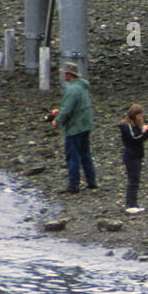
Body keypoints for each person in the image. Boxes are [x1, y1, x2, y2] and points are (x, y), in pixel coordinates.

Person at [50, 61, 96, 194]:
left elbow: (67, 110)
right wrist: (59, 111)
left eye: (64, 73)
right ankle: (91, 182)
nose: (63, 75)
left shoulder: (72, 89)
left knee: (73, 156)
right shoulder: (82, 87)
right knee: (85, 154)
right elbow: (75, 106)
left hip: (75, 128)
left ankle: (73, 185)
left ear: (69, 74)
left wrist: (57, 121)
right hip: (85, 126)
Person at [119, 103, 148, 214]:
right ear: (133, 115)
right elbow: (134, 139)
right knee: (133, 181)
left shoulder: (135, 126)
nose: (140, 118)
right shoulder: (126, 126)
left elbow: (141, 138)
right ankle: (129, 205)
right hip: (131, 157)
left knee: (136, 181)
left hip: (137, 156)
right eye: (138, 116)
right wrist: (143, 132)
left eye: (141, 116)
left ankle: (134, 204)